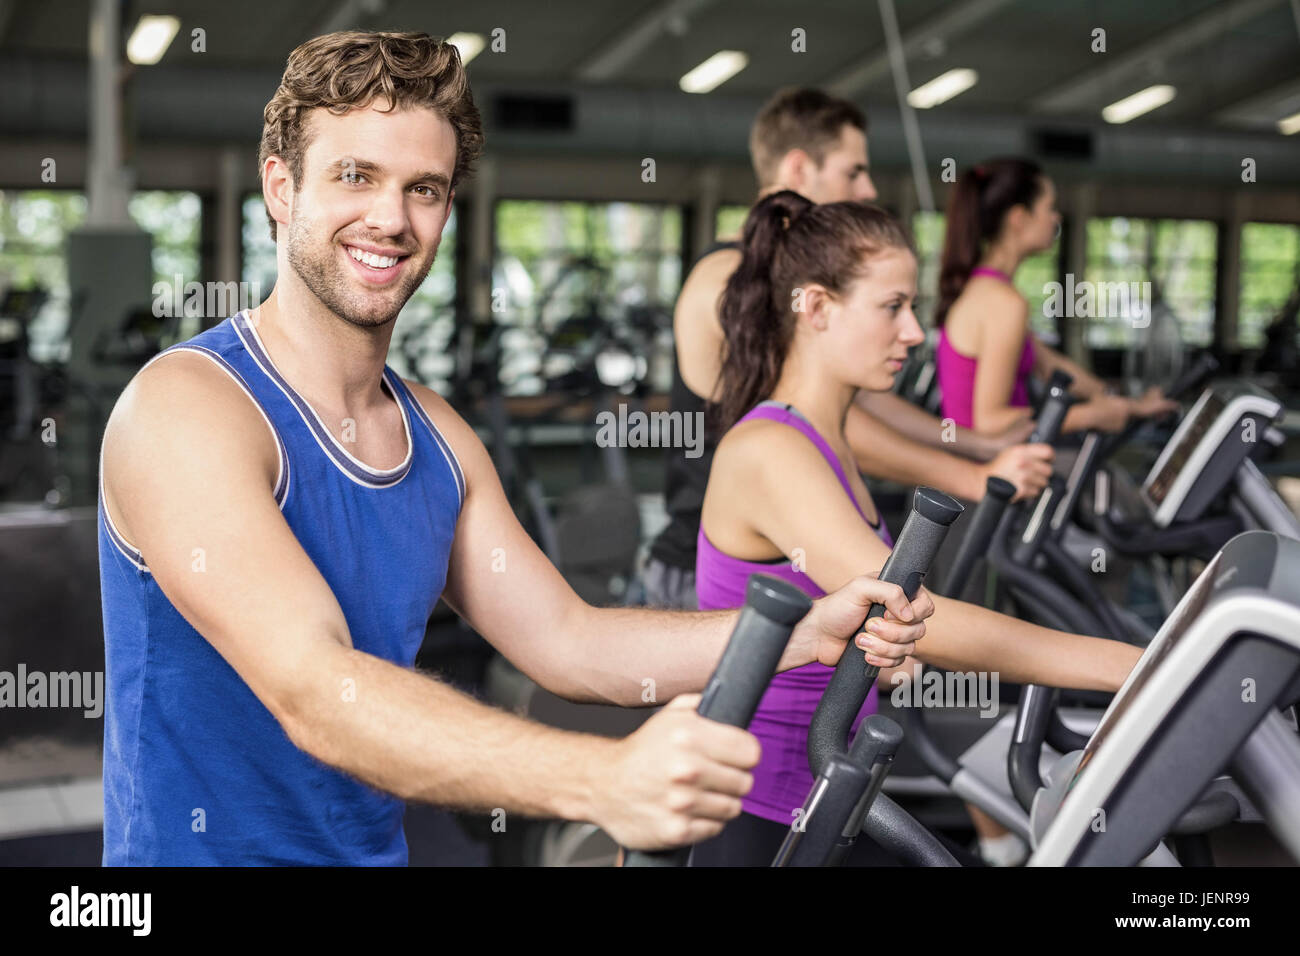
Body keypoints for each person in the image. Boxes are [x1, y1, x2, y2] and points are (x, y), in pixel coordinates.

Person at [96, 31, 932, 866]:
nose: (390, 218)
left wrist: (806, 633)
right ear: (281, 188)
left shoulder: (438, 439)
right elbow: (318, 691)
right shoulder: (189, 409)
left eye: (423, 188)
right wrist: (604, 777)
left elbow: (570, 640)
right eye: (355, 176)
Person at [687, 191, 1143, 866]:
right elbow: (902, 605)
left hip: (822, 799)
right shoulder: (770, 451)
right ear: (815, 308)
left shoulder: (825, 437)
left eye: (913, 308)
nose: (914, 333)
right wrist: (1131, 667)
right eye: (892, 307)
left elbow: (869, 620)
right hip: (756, 819)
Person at [644, 89, 1052, 613]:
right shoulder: (733, 279)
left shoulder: (793, 281)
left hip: (787, 559)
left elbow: (853, 402)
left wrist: (971, 442)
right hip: (716, 577)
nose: (868, 187)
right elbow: (819, 422)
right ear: (798, 167)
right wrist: (974, 477)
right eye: (853, 171)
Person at [934, 157, 1177, 436]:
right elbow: (988, 421)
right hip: (987, 467)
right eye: (1049, 208)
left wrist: (1123, 402)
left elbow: (1048, 365)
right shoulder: (1002, 302)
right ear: (1019, 219)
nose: (1056, 217)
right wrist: (1089, 415)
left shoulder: (986, 287)